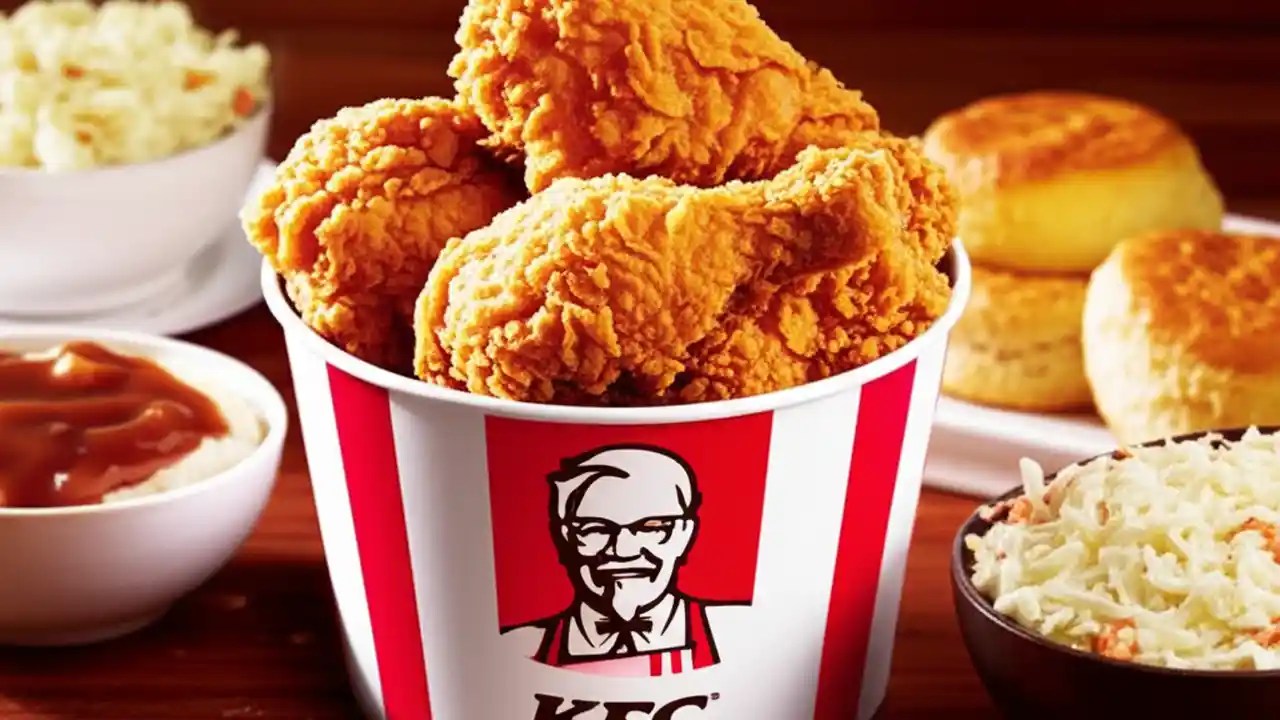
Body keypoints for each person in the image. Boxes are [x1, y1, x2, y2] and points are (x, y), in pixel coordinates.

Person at [502, 445, 729, 675]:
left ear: (685, 534)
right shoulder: (521, 646)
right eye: (596, 529)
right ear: (565, 537)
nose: (623, 550)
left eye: (651, 527)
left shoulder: (732, 632)